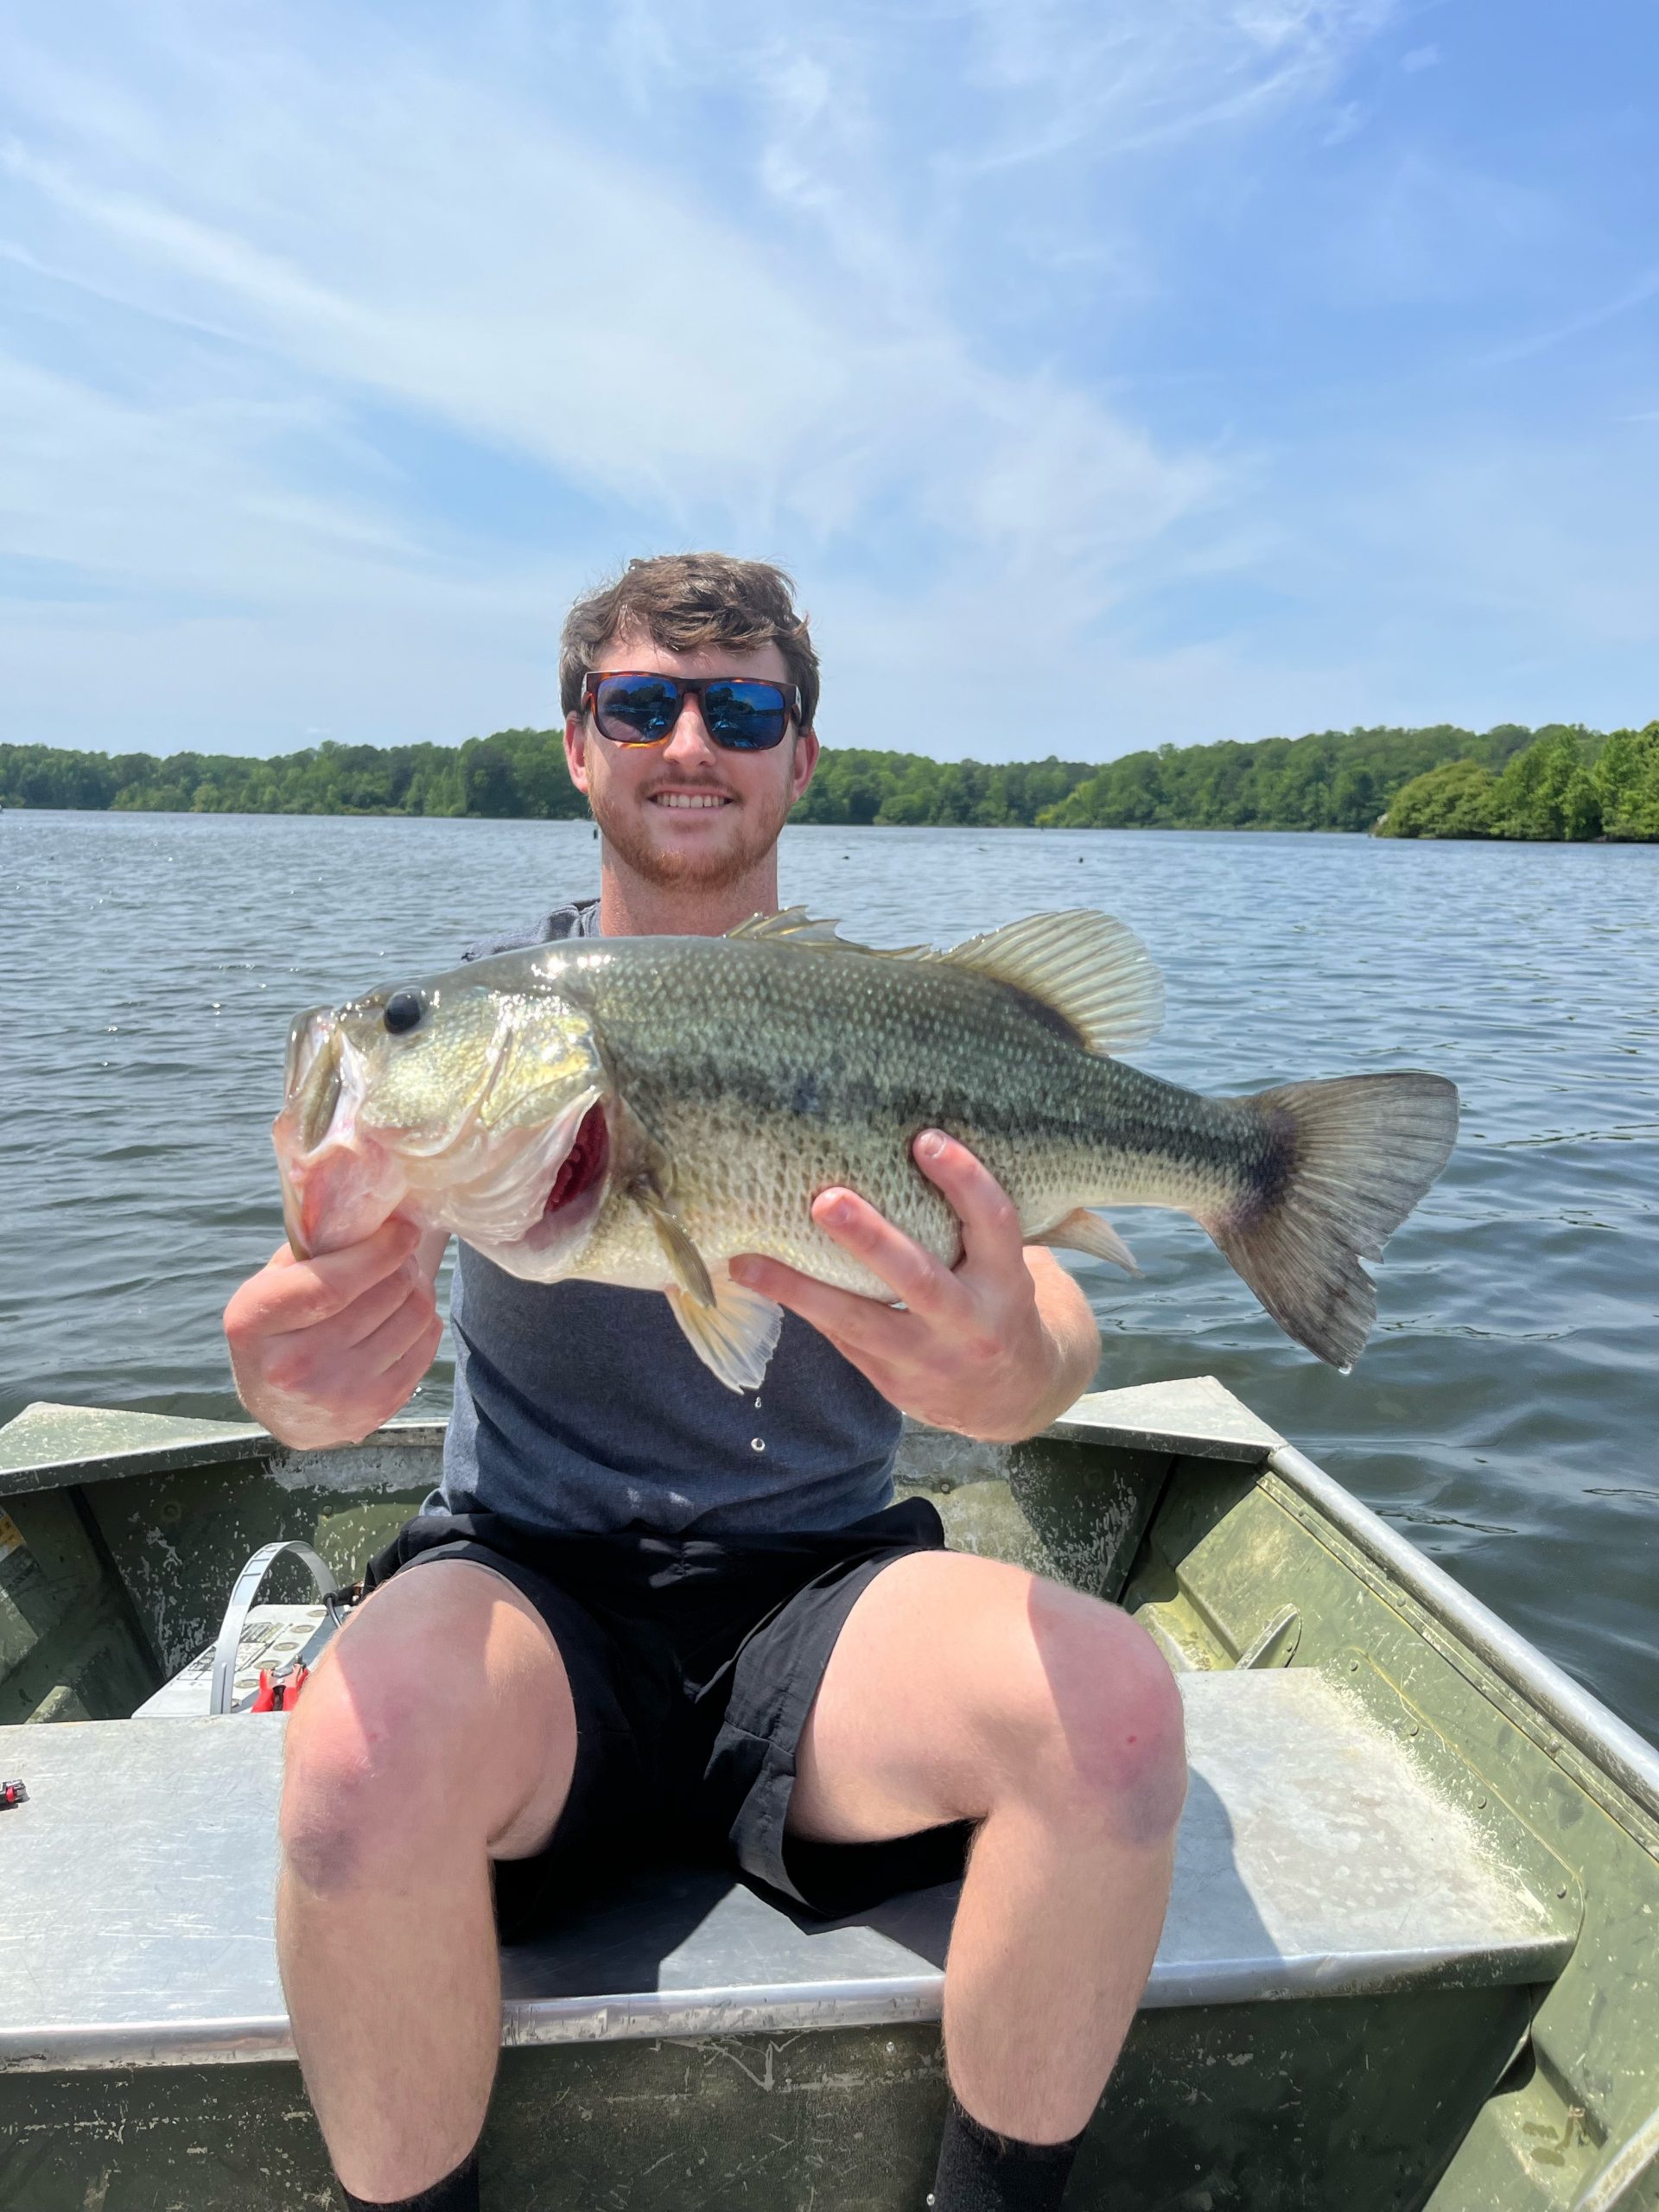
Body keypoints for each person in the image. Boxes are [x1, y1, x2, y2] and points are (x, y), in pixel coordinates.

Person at [223, 553, 1186, 2212]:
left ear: (800, 757)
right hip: (531, 1591)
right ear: (579, 742)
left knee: (1114, 1716)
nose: (691, 741)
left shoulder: (900, 1022)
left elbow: (1041, 1331)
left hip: (826, 1602)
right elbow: (307, 1297)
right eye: (642, 703)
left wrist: (1018, 1367)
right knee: (356, 1759)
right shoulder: (490, 1026)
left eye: (742, 710)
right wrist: (289, 1379)